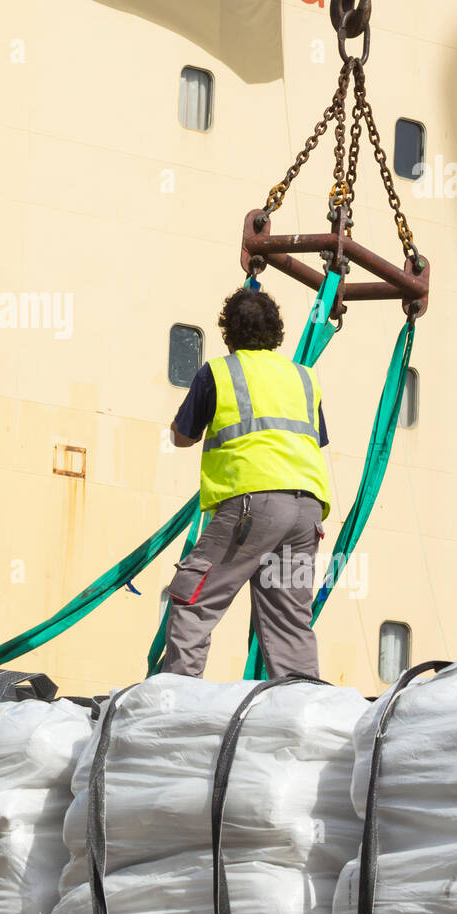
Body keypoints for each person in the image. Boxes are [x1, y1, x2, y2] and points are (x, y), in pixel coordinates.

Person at [161, 286, 331, 680]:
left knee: (194, 599)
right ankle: (304, 712)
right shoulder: (303, 378)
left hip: (253, 506)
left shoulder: (220, 372)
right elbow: (313, 437)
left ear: (227, 333)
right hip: (307, 511)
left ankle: (175, 703)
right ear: (276, 333)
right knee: (289, 621)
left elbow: (183, 436)